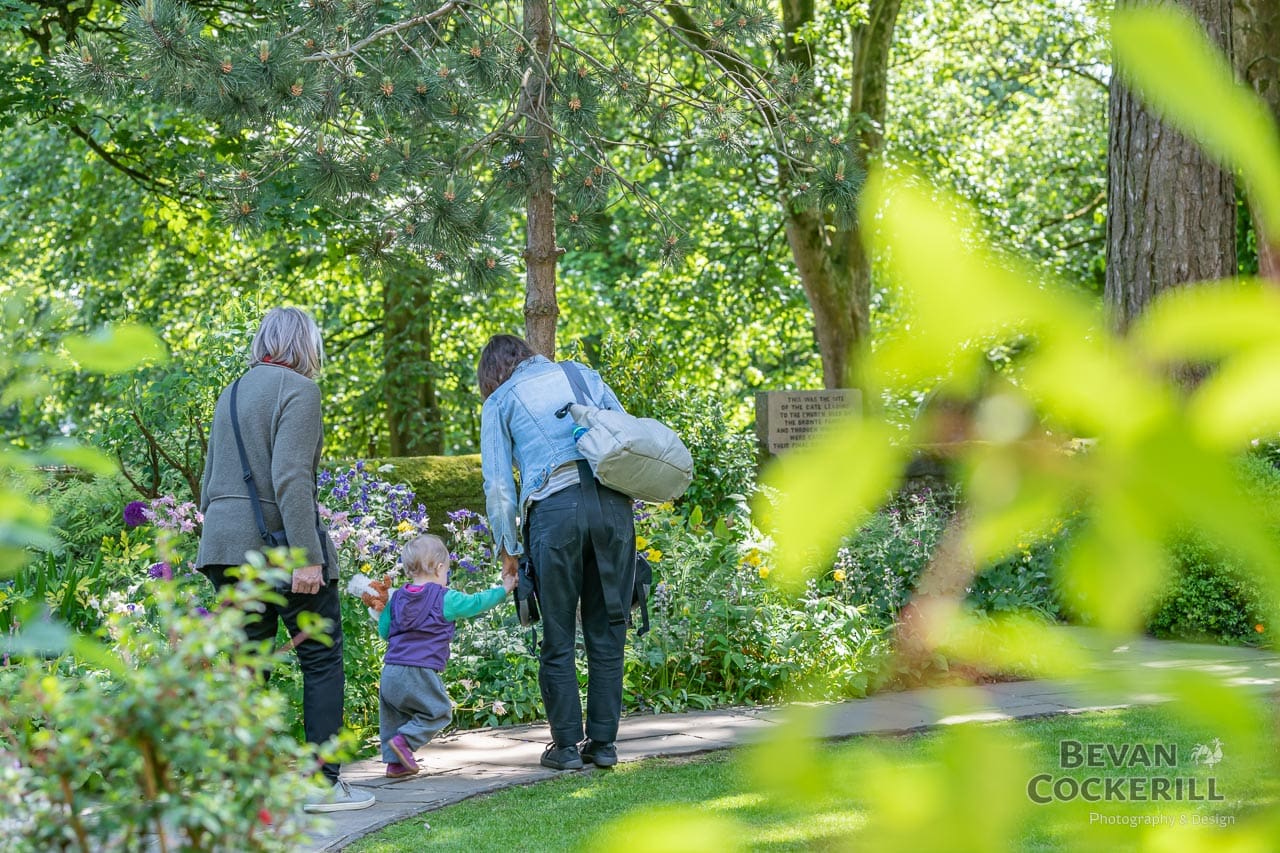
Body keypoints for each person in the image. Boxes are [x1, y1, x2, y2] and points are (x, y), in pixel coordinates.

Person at [196, 307, 374, 813]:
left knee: (247, 666)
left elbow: (211, 482)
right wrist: (307, 557)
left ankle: (248, 788)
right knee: (320, 657)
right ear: (306, 344)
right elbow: (292, 477)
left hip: (222, 546)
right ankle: (323, 786)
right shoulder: (299, 391)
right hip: (277, 546)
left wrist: (220, 541)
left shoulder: (230, 393)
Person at [477, 334, 636, 771]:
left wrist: (509, 549)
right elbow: (627, 436)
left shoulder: (499, 401)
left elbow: (497, 485)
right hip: (612, 508)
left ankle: (566, 748)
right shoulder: (582, 374)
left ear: (492, 375)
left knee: (559, 636)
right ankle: (603, 745)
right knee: (609, 631)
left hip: (555, 514)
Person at [376, 534, 516, 777]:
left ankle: (395, 763)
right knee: (438, 711)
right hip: (419, 669)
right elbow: (475, 603)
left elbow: (384, 631)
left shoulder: (397, 597)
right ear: (440, 567)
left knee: (393, 718)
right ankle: (404, 743)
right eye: (447, 571)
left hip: (390, 670)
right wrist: (504, 589)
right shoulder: (444, 598)